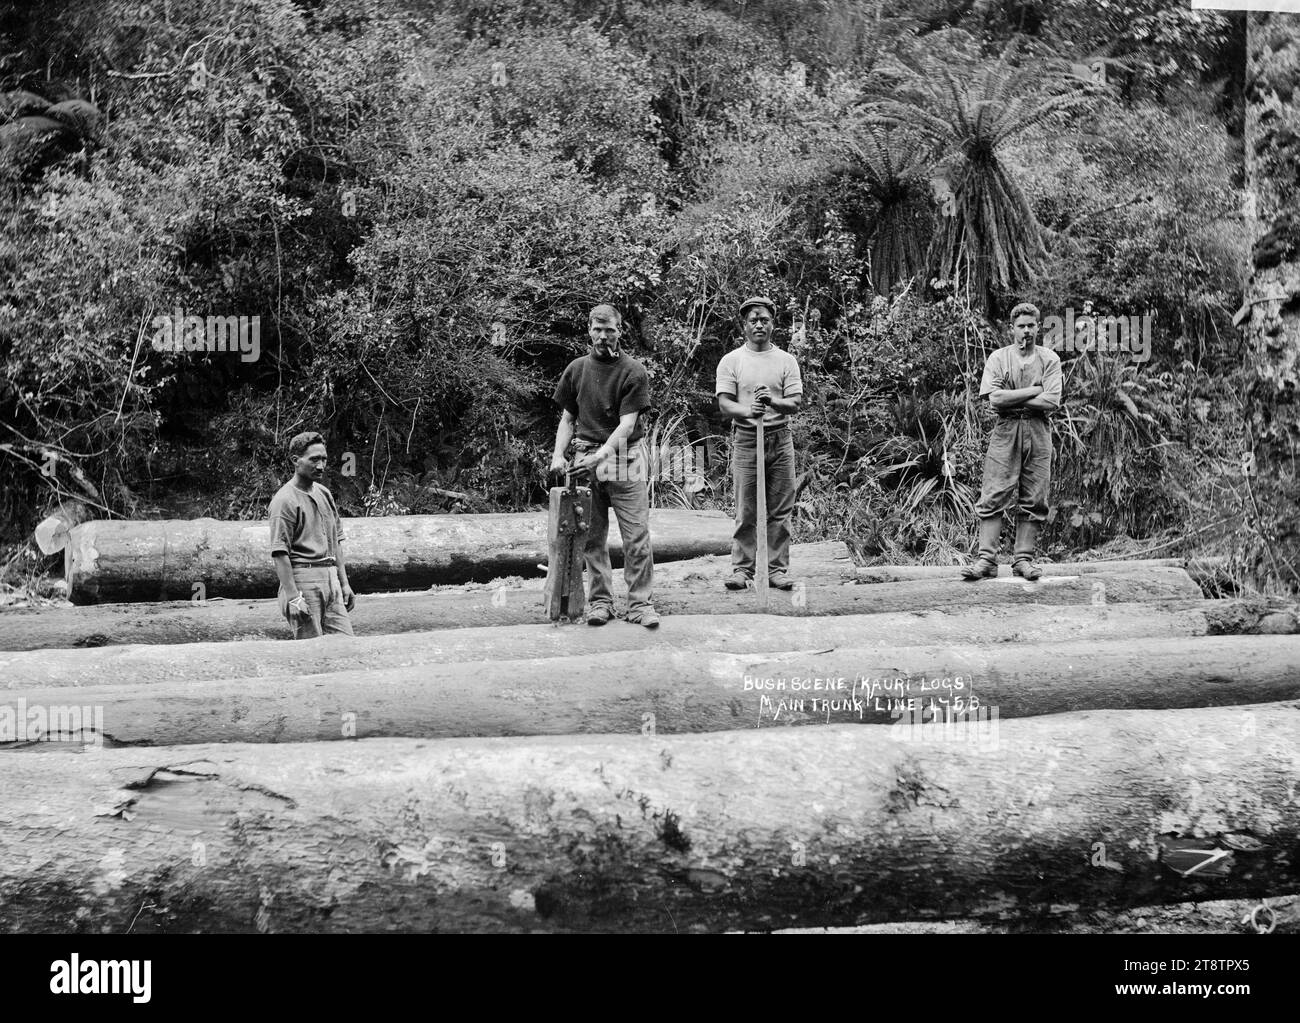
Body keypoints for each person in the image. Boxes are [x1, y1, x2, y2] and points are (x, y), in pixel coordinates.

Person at [550, 304, 659, 628]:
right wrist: (559, 454)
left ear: (619, 330)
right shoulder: (577, 369)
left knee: (636, 536)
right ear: (589, 330)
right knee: (592, 537)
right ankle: (600, 603)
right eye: (597, 329)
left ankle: (640, 604)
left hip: (624, 461)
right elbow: (568, 418)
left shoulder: (633, 371)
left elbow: (627, 425)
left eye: (609, 329)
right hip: (585, 459)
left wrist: (602, 456)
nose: (602, 336)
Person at [961, 302, 1063, 581]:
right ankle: (986, 560)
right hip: (1006, 430)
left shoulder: (1050, 359)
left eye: (1031, 325)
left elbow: (1052, 400)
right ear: (1012, 328)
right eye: (1021, 326)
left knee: (1034, 494)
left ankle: (1023, 560)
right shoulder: (999, 358)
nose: (1026, 331)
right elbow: (995, 398)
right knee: (994, 491)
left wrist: (1013, 395)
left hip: (1038, 429)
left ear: (1038, 327)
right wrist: (1034, 390)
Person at [716, 296, 803, 591]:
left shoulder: (785, 361)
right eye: (753, 320)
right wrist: (748, 410)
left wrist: (773, 401)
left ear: (772, 324)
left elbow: (795, 402)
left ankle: (778, 570)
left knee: (780, 508)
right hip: (746, 439)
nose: (759, 325)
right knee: (746, 508)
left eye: (764, 319)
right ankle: (742, 570)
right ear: (744, 325)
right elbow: (725, 404)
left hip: (779, 439)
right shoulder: (732, 361)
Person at [269, 431, 356, 638]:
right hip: (303, 580)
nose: (320, 466)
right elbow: (280, 553)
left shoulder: (323, 493)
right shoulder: (284, 500)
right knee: (311, 652)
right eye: (314, 459)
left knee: (347, 645)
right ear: (295, 461)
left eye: (324, 459)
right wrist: (293, 597)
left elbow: (336, 542)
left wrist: (344, 583)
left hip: (330, 578)